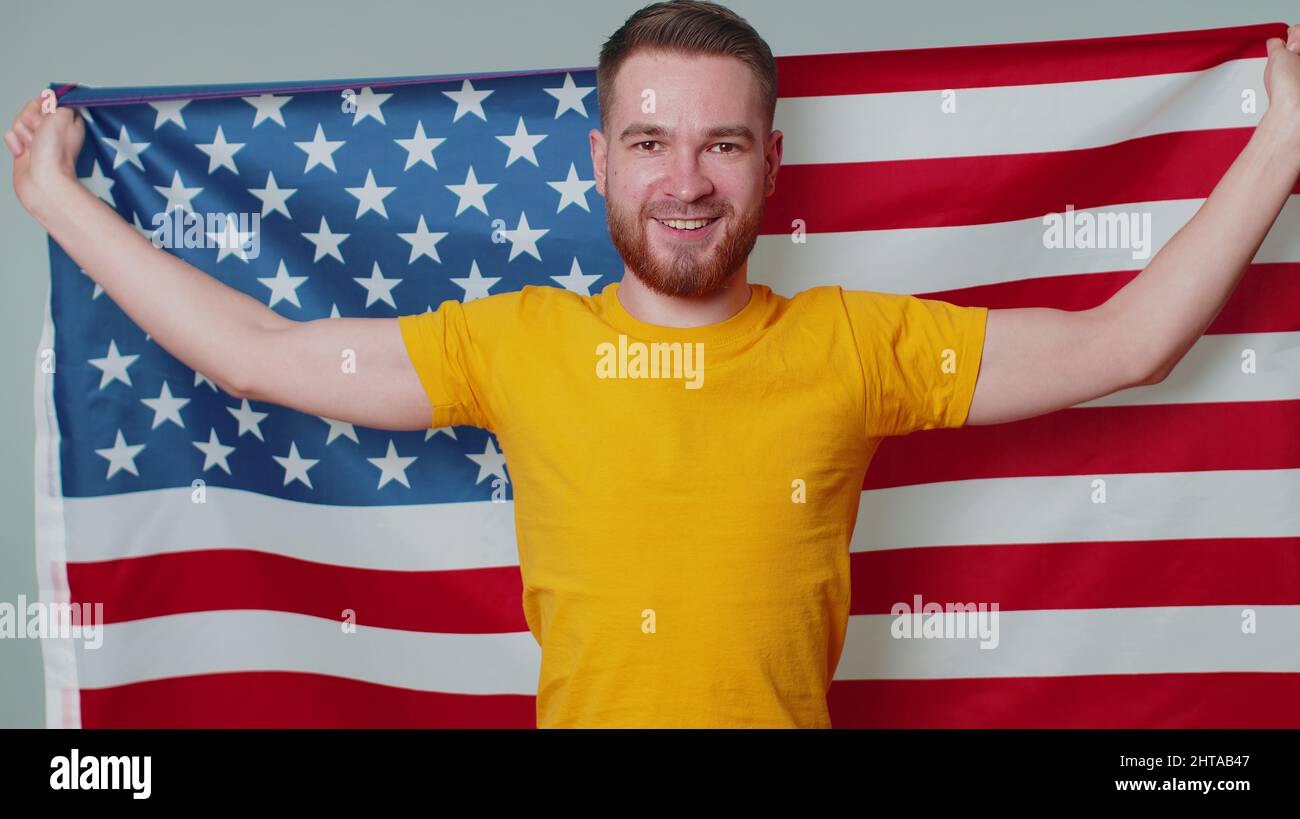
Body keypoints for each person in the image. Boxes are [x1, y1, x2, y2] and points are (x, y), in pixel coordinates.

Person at [8, 1, 1300, 728]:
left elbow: (1129, 343)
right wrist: (62, 204)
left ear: (771, 167)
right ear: (600, 163)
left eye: (724, 147)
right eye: (650, 143)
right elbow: (258, 352)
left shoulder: (859, 344)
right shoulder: (515, 342)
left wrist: (1278, 150)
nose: (686, 181)